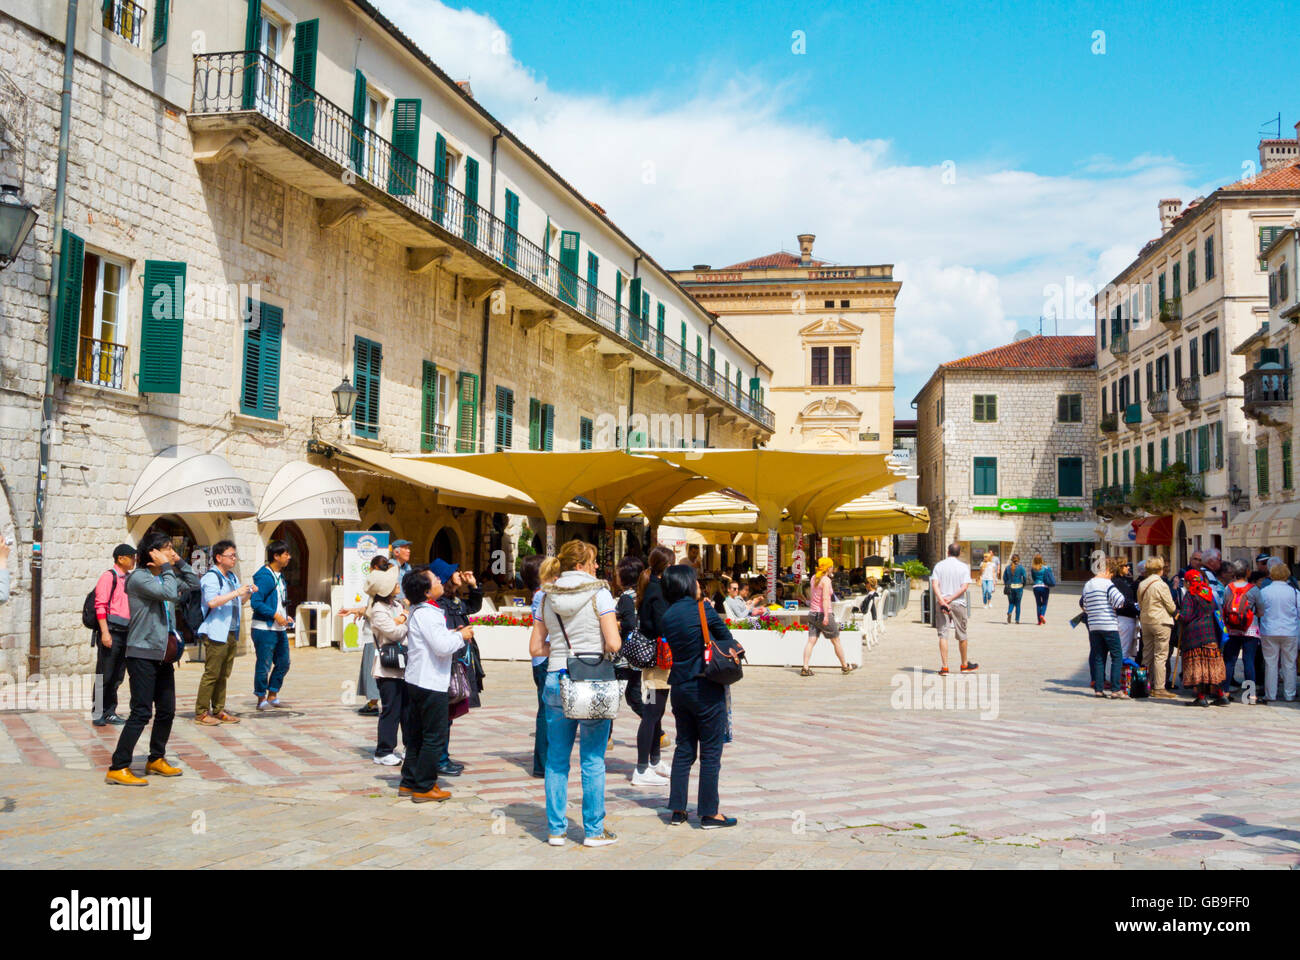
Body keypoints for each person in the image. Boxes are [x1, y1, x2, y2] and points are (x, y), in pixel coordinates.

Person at [529, 539, 622, 847]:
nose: (597, 567)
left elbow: (534, 648)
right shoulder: (600, 592)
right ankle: (594, 830)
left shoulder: (545, 596)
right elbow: (614, 643)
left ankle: (556, 830)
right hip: (591, 679)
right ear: (581, 565)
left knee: (556, 758)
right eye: (594, 561)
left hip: (556, 676)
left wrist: (560, 648)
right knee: (593, 758)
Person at [105, 531, 198, 785]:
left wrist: (178, 563)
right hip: (142, 654)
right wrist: (168, 567)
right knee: (141, 712)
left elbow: (193, 583)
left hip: (163, 655)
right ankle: (118, 765)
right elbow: (169, 593)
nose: (171, 552)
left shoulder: (165, 574)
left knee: (167, 710)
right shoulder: (138, 579)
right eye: (166, 548)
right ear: (152, 554)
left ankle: (156, 758)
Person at [660, 563, 739, 829]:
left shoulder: (668, 615)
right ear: (686, 583)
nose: (698, 585)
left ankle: (678, 809)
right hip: (705, 686)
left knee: (684, 748)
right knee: (710, 752)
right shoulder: (702, 608)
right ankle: (708, 813)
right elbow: (726, 639)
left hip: (680, 688)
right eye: (694, 580)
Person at [398, 567, 472, 803]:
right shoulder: (429, 613)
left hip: (417, 679)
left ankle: (409, 781)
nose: (441, 581)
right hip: (430, 682)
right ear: (427, 591)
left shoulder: (420, 611)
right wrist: (462, 636)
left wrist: (452, 634)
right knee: (433, 736)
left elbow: (435, 641)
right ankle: (424, 785)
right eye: (436, 580)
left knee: (417, 735)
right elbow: (441, 647)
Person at [430, 558, 483, 776]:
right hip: (448, 665)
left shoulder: (455, 601)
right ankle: (440, 759)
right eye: (455, 572)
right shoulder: (440, 605)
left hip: (459, 663)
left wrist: (474, 585)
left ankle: (444, 756)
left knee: (450, 713)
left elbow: (474, 606)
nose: (460, 574)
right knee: (443, 715)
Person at [614, 554, 663, 786]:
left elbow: (631, 625)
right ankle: (654, 747)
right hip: (647, 657)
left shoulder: (626, 597)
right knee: (641, 699)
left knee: (629, 697)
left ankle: (653, 733)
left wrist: (617, 624)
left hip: (628, 657)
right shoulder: (644, 594)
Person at [193, 540, 255, 725]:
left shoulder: (231, 577)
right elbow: (212, 602)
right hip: (215, 631)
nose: (234, 559)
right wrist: (237, 592)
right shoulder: (212, 577)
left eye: (235, 555)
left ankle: (218, 709)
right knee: (212, 673)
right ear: (219, 558)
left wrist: (248, 592)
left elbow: (239, 602)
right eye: (231, 555)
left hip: (231, 631)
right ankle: (201, 712)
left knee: (223, 673)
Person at [635, 544, 675, 786]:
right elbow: (662, 625)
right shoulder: (656, 591)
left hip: (659, 662)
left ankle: (654, 760)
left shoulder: (655, 588)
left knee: (657, 712)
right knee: (651, 713)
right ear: (667, 567)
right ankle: (641, 769)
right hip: (656, 663)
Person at [365, 564, 409, 765]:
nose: (397, 585)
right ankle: (383, 751)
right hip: (388, 666)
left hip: (405, 664)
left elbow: (402, 629)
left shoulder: (397, 606)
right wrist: (404, 620)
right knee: (391, 710)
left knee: (408, 709)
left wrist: (402, 619)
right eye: (393, 583)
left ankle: (410, 746)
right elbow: (395, 633)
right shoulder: (378, 610)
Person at [92, 544, 136, 726]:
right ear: (120, 558)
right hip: (111, 631)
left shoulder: (130, 579)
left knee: (118, 675)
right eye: (131, 557)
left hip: (126, 632)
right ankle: (97, 712)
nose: (134, 560)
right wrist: (105, 632)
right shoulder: (108, 577)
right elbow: (100, 605)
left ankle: (110, 711)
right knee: (105, 674)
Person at [250, 539, 293, 711]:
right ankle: (261, 698)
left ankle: (273, 693)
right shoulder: (265, 577)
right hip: (264, 628)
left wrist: (285, 616)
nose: (289, 557)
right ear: (276, 556)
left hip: (279, 628)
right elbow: (256, 602)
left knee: (284, 662)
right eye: (286, 554)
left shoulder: (280, 576)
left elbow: (278, 602)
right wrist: (275, 615)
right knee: (264, 664)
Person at [520, 553, 553, 778]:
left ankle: (544, 760)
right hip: (545, 658)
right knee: (546, 711)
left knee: (547, 710)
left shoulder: (540, 595)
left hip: (541, 658)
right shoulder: (543, 596)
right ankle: (542, 763)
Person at [1177, 569, 1227, 706]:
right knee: (1211, 666)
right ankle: (1221, 695)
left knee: (1198, 667)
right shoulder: (1208, 593)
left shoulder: (1190, 595)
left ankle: (1201, 697)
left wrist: (1176, 614)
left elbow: (1185, 616)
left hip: (1195, 636)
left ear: (1188, 582)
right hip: (1210, 634)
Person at [1081, 556, 1128, 699]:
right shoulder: (1107, 584)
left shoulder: (1088, 584)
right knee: (1116, 656)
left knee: (1099, 656)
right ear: (1107, 570)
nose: (1111, 577)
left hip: (1094, 625)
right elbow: (1120, 601)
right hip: (1108, 624)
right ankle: (1115, 689)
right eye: (1111, 574)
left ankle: (1098, 689)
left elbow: (1085, 605)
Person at [352, 554, 392, 716]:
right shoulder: (387, 584)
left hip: (373, 633)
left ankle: (373, 702)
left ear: (374, 568)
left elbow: (372, 610)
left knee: (372, 667)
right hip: (382, 632)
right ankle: (374, 701)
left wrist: (359, 611)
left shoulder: (377, 584)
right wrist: (357, 610)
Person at [1255, 563, 1300, 704]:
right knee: (1290, 663)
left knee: (1270, 663)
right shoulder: (1294, 592)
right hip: (1290, 631)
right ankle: (1289, 694)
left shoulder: (1265, 591)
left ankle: (1271, 694)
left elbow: (1259, 611)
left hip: (1269, 630)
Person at [930, 543, 977, 676]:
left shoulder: (939, 566)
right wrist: (950, 599)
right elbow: (964, 587)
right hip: (958, 602)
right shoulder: (963, 567)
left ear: (947, 552)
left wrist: (942, 600)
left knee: (943, 634)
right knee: (962, 634)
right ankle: (964, 664)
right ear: (959, 553)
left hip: (942, 602)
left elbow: (935, 584)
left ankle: (945, 667)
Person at [801, 556, 852, 676]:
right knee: (836, 640)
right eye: (832, 566)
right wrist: (826, 617)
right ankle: (845, 666)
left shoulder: (814, 578)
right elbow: (825, 599)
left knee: (811, 641)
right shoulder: (826, 580)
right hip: (823, 613)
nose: (833, 568)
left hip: (812, 613)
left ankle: (805, 667)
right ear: (828, 567)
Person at [1137, 556, 1178, 700]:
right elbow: (1170, 605)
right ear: (1160, 569)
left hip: (1146, 621)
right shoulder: (1160, 584)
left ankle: (1143, 685)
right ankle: (1159, 687)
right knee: (1160, 655)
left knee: (1147, 653)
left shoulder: (1143, 583)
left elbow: (1140, 603)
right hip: (1160, 621)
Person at [1221, 561, 1261, 703]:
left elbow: (1224, 606)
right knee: (1248, 661)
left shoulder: (1228, 588)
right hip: (1250, 629)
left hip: (1232, 629)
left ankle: (1225, 692)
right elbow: (1261, 611)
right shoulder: (1253, 589)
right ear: (1248, 572)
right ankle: (1250, 695)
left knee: (1229, 661)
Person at [1112, 558, 1139, 659]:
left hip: (1124, 619)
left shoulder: (1122, 581)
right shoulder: (1118, 582)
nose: (1128, 567)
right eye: (1125, 565)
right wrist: (1137, 609)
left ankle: (1121, 673)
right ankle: (1120, 674)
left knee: (1123, 650)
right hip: (1124, 619)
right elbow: (1126, 601)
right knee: (1123, 651)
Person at [1030, 553, 1055, 626]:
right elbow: (1050, 576)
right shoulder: (1046, 568)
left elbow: (1033, 578)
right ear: (1041, 560)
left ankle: (1039, 622)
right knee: (1044, 603)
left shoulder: (1033, 569)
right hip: (1044, 587)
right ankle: (1042, 615)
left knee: (1038, 604)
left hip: (1036, 587)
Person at [1003, 553, 1028, 624]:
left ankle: (1009, 612)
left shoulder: (1007, 568)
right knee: (1018, 604)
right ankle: (1017, 620)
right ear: (1018, 560)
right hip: (1018, 587)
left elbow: (1004, 578)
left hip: (1010, 587)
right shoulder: (1021, 568)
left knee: (1011, 602)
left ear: (1011, 560)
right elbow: (1025, 577)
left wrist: (1007, 584)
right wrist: (1024, 584)